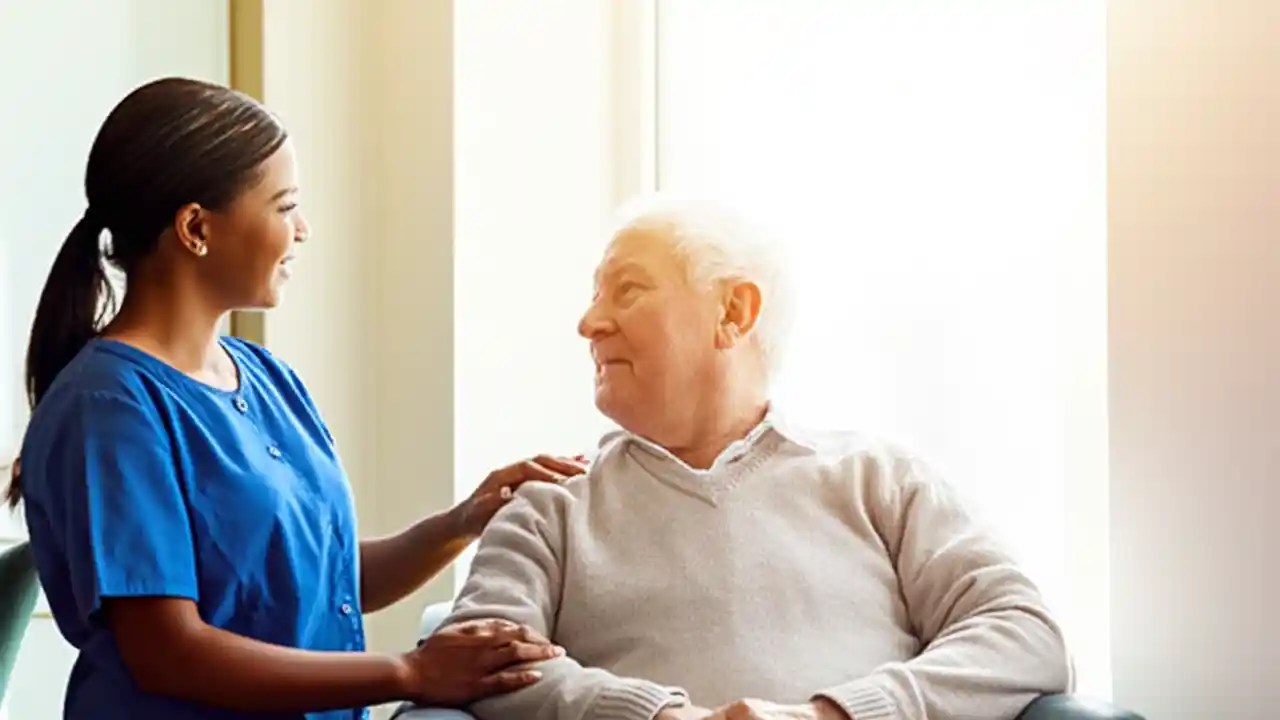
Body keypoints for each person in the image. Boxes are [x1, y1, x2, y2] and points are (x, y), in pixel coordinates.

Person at [6, 77, 586, 720]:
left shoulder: (267, 377)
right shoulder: (111, 408)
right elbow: (167, 650)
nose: (303, 230)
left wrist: (460, 523)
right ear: (196, 227)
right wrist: (410, 673)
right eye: (284, 207)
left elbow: (325, 588)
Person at [415, 196, 1073, 720]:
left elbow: (1024, 636)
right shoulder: (549, 502)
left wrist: (831, 716)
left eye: (628, 290)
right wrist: (658, 719)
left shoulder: (881, 479)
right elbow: (473, 661)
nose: (589, 323)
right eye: (595, 295)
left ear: (734, 310)